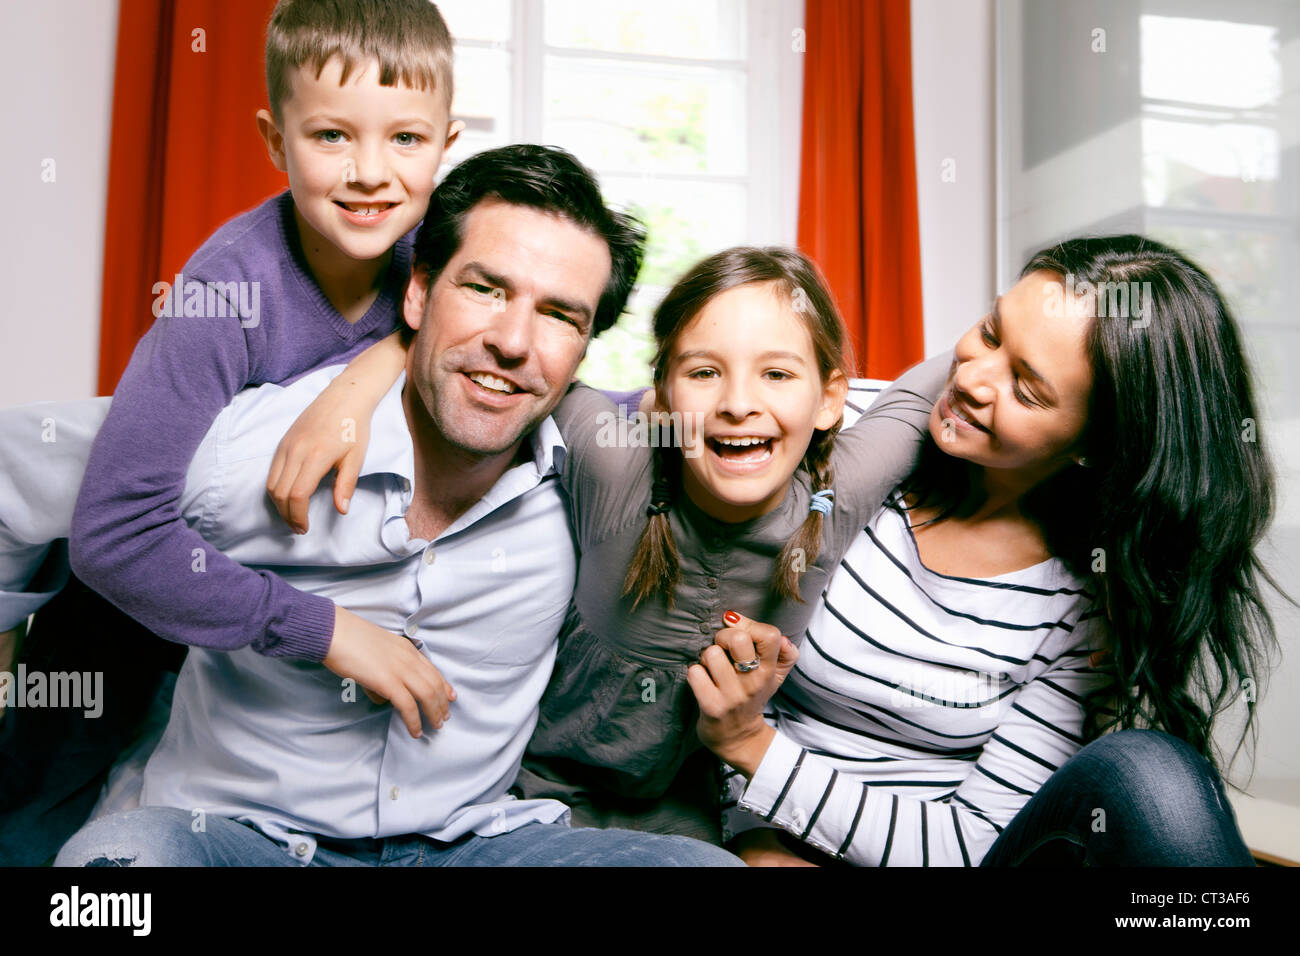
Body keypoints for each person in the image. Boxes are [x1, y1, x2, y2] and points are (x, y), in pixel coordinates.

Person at [1, 143, 741, 867]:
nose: (514, 341)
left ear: (582, 351)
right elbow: (17, 468)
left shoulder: (597, 477)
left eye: (558, 316)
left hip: (472, 845)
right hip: (240, 838)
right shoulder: (249, 445)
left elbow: (796, 410)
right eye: (485, 289)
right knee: (114, 870)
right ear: (417, 292)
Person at [272, 246, 952, 842]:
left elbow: (957, 370)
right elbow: (502, 364)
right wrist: (353, 388)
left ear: (831, 399)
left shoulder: (838, 496)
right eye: (704, 372)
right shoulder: (612, 457)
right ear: (661, 395)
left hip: (680, 810)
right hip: (518, 797)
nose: (738, 403)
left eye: (777, 374)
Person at [0, 0, 465, 860]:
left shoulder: (442, 257)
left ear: (447, 142)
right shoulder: (228, 287)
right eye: (331, 136)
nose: (371, 171)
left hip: (267, 607)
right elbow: (115, 533)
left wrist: (361, 382)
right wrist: (325, 631)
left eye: (405, 138)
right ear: (272, 139)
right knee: (40, 815)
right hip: (132, 600)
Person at [688, 236, 1277, 866]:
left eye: (1027, 390)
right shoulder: (844, 424)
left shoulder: (1084, 601)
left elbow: (972, 844)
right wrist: (752, 825)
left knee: (1157, 774)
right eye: (991, 333)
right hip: (773, 833)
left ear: (1095, 445)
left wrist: (751, 747)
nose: (969, 379)